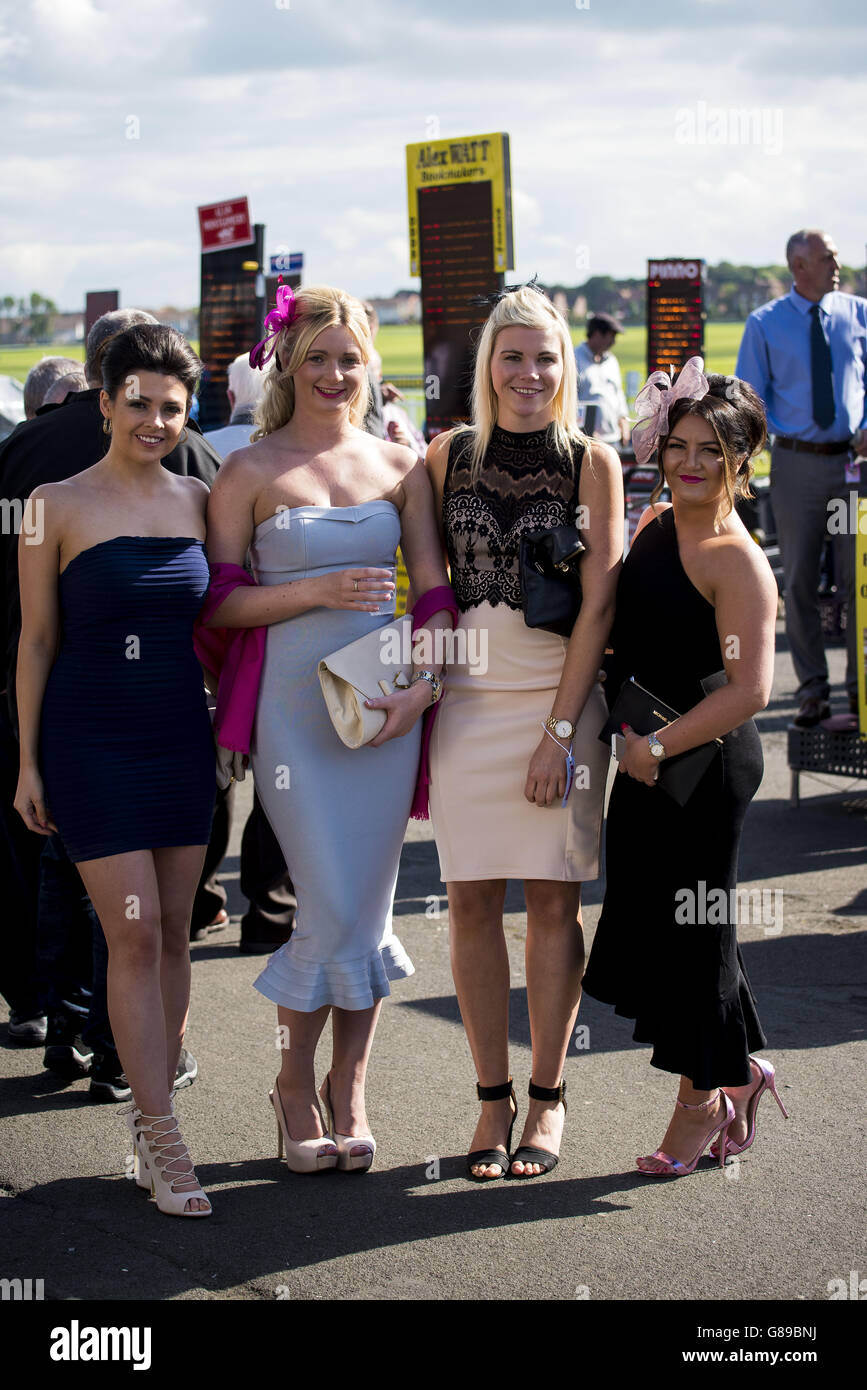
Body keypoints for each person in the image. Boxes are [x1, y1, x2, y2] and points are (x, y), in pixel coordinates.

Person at [202, 284, 453, 1173]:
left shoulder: (399, 464)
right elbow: (220, 602)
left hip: (383, 711)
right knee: (330, 902)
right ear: (285, 361)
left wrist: (422, 693)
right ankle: (289, 1084)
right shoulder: (247, 471)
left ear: (367, 365)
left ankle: (349, 1090)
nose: (335, 373)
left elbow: (433, 593)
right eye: (317, 356)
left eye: (349, 358)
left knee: (370, 905)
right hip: (293, 717)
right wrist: (315, 589)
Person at [15, 323, 216, 1215]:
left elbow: (223, 617)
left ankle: (148, 1117)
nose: (154, 419)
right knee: (133, 935)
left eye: (171, 407)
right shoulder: (51, 503)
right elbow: (36, 639)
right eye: (138, 402)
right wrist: (26, 762)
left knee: (175, 934)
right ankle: (163, 1132)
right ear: (104, 401)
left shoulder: (198, 500)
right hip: (89, 740)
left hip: (179, 737)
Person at [425, 284, 623, 1180]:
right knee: (469, 900)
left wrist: (558, 732)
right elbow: (422, 587)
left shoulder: (592, 463)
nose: (529, 373)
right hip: (467, 702)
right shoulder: (443, 458)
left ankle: (546, 1100)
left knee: (551, 899)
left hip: (560, 700)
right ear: (487, 366)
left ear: (565, 366)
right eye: (512, 355)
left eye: (545, 356)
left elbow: (598, 606)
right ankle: (488, 1100)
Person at [582, 360, 786, 1177]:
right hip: (644, 757)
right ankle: (738, 1070)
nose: (690, 461)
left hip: (698, 769)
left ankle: (700, 1102)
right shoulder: (657, 521)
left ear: (742, 460)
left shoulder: (734, 559)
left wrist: (654, 748)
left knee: (698, 935)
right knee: (662, 929)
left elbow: (751, 690)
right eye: (679, 444)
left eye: (712, 449)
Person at [736, 228, 867, 727]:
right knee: (802, 584)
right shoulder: (764, 324)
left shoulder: (859, 315)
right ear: (799, 267)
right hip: (797, 466)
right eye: (827, 256)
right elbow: (749, 401)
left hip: (854, 467)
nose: (837, 262)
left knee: (859, 581)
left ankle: (861, 687)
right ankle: (813, 689)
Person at [575, 313, 630, 449]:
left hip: (614, 439)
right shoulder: (573, 359)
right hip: (586, 440)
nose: (613, 342)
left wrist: (624, 422)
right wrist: (583, 431)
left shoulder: (612, 361)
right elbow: (569, 401)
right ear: (597, 334)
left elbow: (618, 395)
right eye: (611, 336)